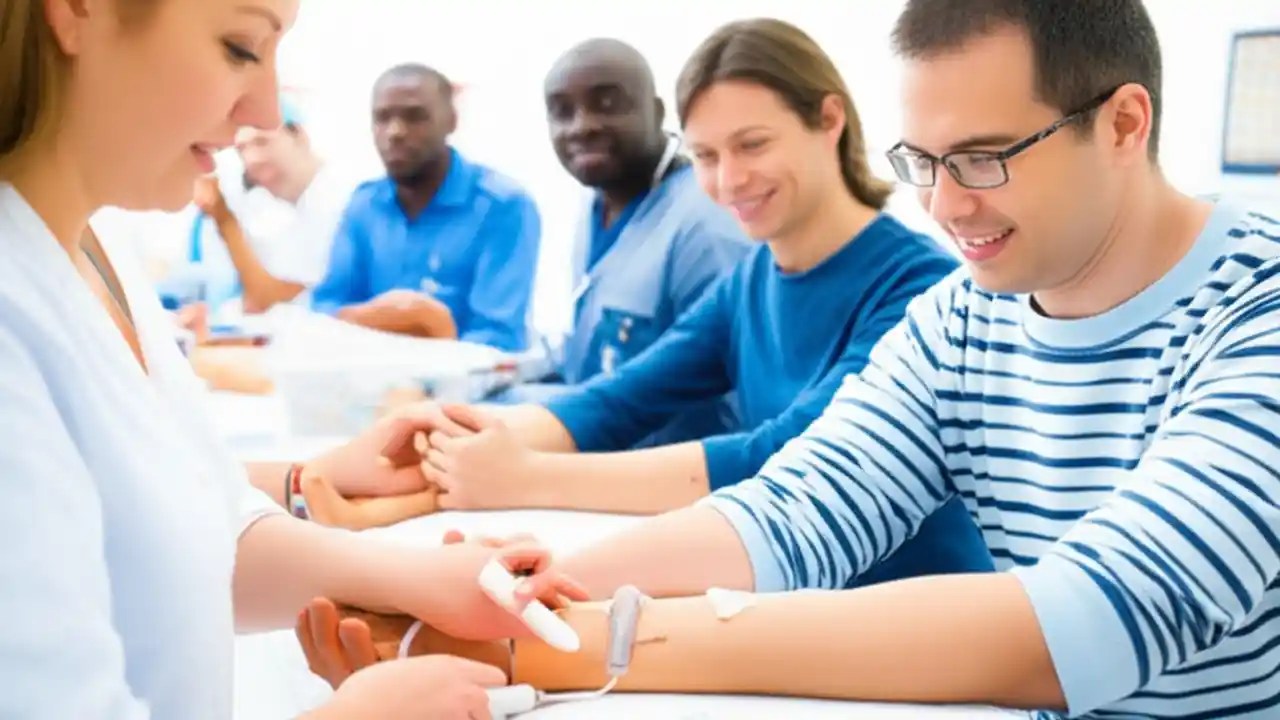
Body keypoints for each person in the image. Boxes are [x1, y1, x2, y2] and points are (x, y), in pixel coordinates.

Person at [302, 5, 1280, 718]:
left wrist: (552, 647)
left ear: (1121, 123)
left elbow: (1088, 622)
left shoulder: (1257, 310)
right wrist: (528, 589)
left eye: (983, 158)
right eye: (922, 162)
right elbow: (796, 504)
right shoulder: (962, 317)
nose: (943, 206)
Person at [0, 1, 583, 718]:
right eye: (240, 47)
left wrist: (419, 578)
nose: (267, 108)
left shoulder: (93, 245)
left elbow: (189, 526)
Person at [385, 18, 990, 585]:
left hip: (910, 611)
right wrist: (453, 437)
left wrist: (526, 477)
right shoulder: (753, 278)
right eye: (705, 156)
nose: (728, 182)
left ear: (830, 119)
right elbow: (617, 401)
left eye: (752, 145)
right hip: (788, 594)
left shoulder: (918, 286)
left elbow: (782, 456)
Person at [506, 38, 749, 445]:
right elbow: (587, 366)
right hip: (589, 437)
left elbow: (727, 410)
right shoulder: (595, 205)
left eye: (606, 104)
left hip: (659, 477)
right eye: (562, 111)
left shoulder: (706, 227)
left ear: (655, 112)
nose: (581, 126)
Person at [310, 63, 542, 352]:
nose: (394, 132)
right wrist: (396, 317)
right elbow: (326, 308)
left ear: (451, 121)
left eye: (415, 117)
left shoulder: (503, 206)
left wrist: (422, 330)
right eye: (382, 118)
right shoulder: (364, 204)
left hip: (465, 389)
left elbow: (496, 337)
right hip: (369, 375)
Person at [187, 100, 358, 314]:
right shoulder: (278, 211)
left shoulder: (344, 200)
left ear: (299, 136)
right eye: (241, 150)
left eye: (262, 142)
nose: (251, 159)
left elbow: (273, 299)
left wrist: (223, 217)